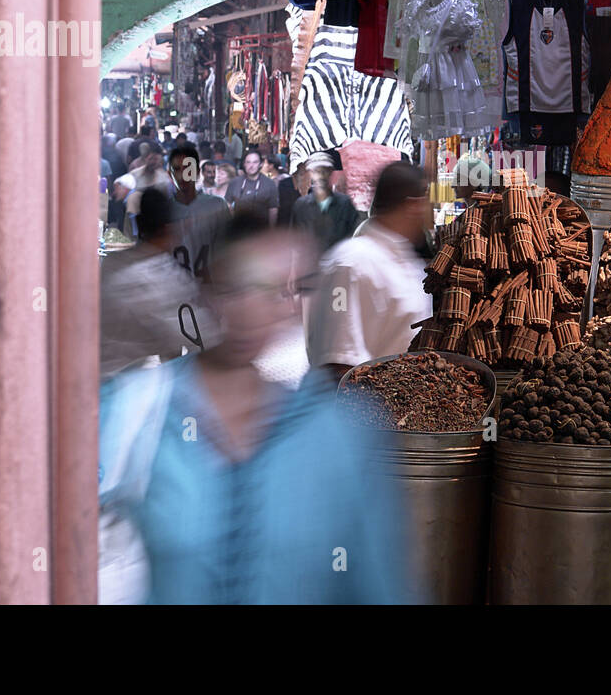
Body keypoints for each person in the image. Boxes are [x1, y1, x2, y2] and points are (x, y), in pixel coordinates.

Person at [98, 213, 414, 603]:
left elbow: (380, 584)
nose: (255, 308)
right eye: (240, 287)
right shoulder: (138, 409)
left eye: (282, 291)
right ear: (208, 288)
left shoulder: (336, 435)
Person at [304, 161, 431, 378]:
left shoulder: (411, 263)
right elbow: (337, 360)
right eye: (428, 200)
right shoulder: (348, 266)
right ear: (414, 205)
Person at [99, 188, 213, 377]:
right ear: (170, 229)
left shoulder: (111, 264)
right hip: (114, 386)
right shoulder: (163, 278)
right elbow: (202, 339)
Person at [166, 144, 230, 280]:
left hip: (210, 288)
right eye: (177, 169)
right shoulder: (163, 211)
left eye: (188, 169)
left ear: (197, 172)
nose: (184, 175)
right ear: (170, 174)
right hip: (174, 289)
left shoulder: (216, 206)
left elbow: (228, 249)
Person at [291, 152, 360, 254]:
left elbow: (353, 236)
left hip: (337, 262)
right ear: (310, 173)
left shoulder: (345, 204)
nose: (320, 176)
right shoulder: (301, 205)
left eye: (325, 171)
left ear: (331, 172)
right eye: (316, 171)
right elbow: (294, 239)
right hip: (310, 264)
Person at [112, 141, 171, 233]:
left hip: (155, 215)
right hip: (135, 214)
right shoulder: (136, 173)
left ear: (160, 162)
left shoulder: (164, 178)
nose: (153, 162)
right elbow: (119, 182)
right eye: (151, 159)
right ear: (146, 159)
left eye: (156, 160)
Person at [226, 148, 280, 225]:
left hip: (260, 231)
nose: (251, 166)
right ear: (244, 164)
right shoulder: (234, 182)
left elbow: (273, 210)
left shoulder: (270, 184)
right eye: (248, 162)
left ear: (260, 164)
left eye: (255, 162)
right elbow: (228, 206)